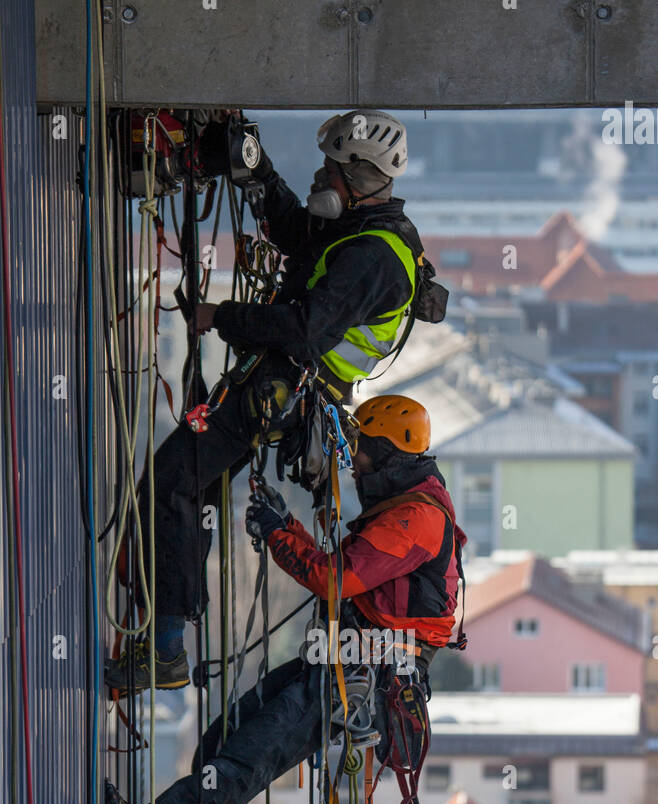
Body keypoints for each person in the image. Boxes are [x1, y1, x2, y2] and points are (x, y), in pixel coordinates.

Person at [104, 394, 467, 804]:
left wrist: (278, 532)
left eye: (364, 449)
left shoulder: (414, 518)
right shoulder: (407, 502)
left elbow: (334, 577)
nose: (356, 459)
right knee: (223, 740)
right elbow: (343, 568)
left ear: (390, 455)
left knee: (244, 758)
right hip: (349, 664)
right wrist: (284, 525)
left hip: (362, 676)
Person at [106, 109, 431, 695]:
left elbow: (305, 329)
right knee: (186, 485)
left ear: (355, 178)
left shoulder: (375, 257)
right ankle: (163, 615)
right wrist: (254, 171)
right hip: (281, 388)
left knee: (173, 481)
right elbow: (298, 235)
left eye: (330, 168)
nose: (321, 177)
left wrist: (218, 317)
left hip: (284, 391)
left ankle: (167, 647)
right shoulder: (363, 230)